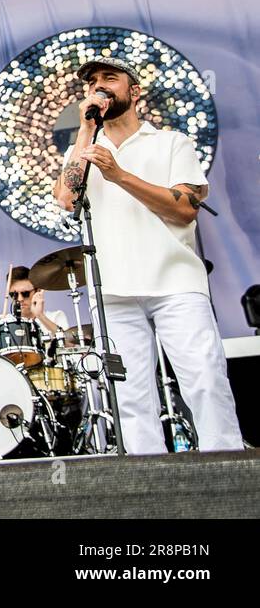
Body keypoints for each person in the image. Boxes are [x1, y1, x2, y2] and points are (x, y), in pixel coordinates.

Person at [52, 57, 244, 454]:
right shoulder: (85, 148)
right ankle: (149, 488)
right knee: (131, 396)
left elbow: (185, 208)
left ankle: (226, 470)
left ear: (133, 91)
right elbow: (66, 198)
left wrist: (120, 175)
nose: (99, 86)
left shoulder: (171, 143)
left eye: (109, 78)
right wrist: (87, 131)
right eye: (92, 82)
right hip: (114, 290)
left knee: (204, 379)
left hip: (175, 281)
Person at [2, 265, 68, 340]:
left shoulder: (56, 317)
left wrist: (40, 315)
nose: (20, 299)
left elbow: (69, 344)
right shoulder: (4, 323)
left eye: (25, 293)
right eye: (14, 295)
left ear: (38, 291)